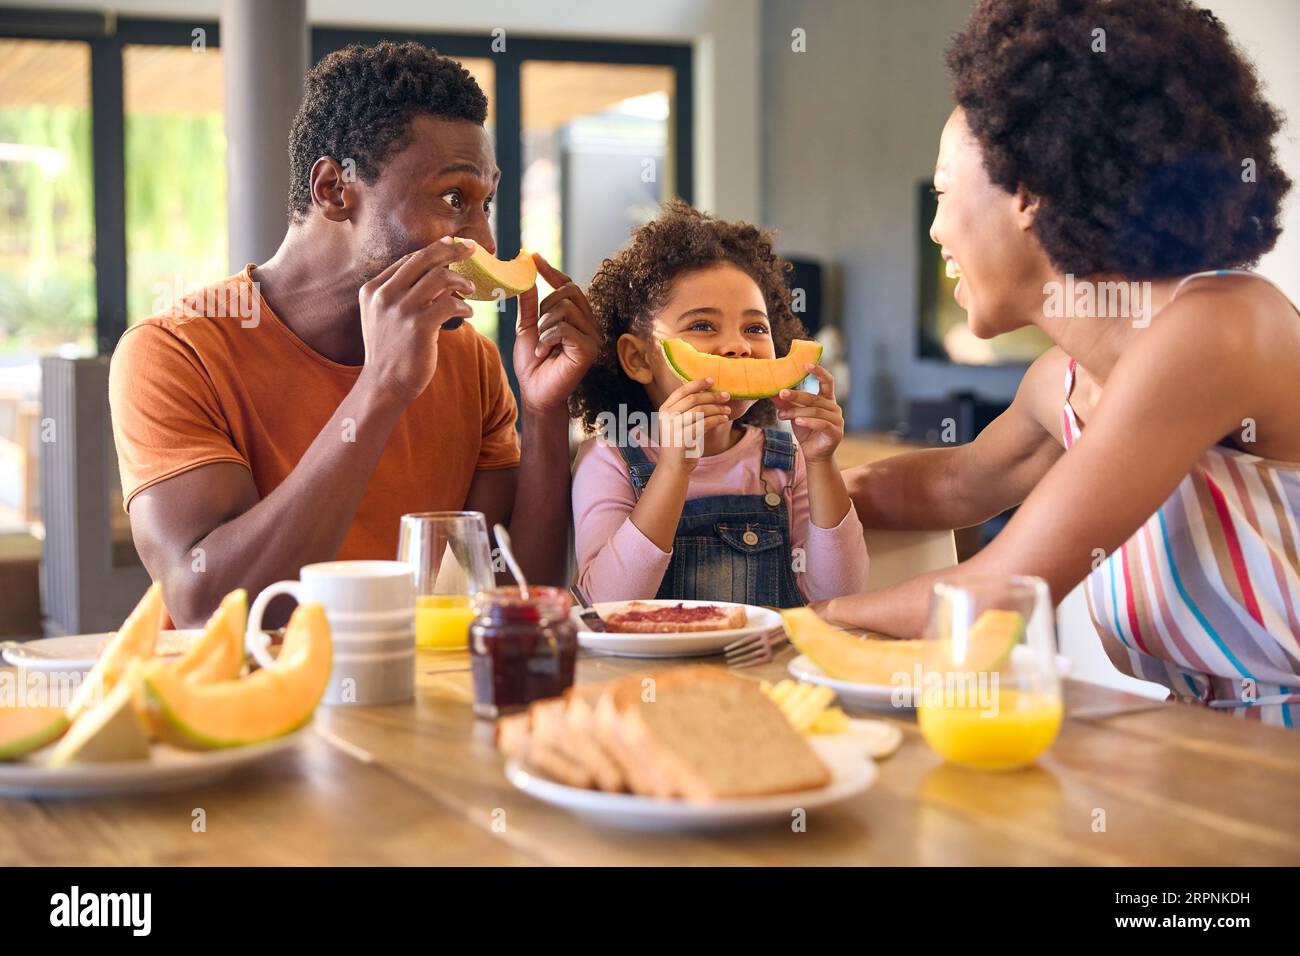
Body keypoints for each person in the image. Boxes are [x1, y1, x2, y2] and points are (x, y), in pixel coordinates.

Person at [822, 0, 1300, 725]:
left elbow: (996, 595)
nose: (934, 225)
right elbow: (954, 484)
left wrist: (797, 620)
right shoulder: (1062, 381)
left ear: (1029, 190)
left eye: (945, 192)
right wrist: (785, 484)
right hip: (1203, 750)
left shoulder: (1224, 327)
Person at [109, 42, 597, 626]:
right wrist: (380, 391)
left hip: (412, 706)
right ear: (334, 191)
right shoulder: (175, 351)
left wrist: (542, 411)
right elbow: (210, 605)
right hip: (256, 707)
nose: (486, 244)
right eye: (453, 198)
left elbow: (512, 595)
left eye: (485, 202)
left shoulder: (467, 358)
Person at [569, 201, 867, 606]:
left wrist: (822, 463)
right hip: (652, 671)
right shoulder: (609, 459)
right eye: (703, 325)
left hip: (764, 668)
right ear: (639, 359)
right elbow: (606, 605)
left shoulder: (787, 461)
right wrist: (675, 467)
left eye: (755, 328)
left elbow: (838, 597)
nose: (738, 346)